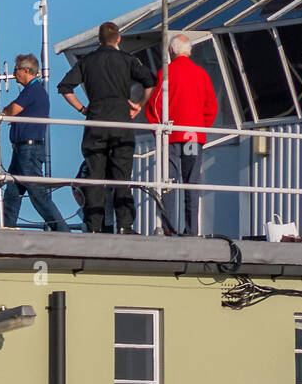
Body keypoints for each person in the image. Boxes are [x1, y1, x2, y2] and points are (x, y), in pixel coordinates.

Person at [57, 21, 155, 234]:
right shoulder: (127, 60)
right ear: (118, 39)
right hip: (120, 122)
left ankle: (94, 226)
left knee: (95, 176)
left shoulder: (88, 61)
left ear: (99, 39)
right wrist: (138, 105)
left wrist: (83, 109)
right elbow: (150, 81)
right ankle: (124, 225)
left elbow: (65, 87)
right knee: (122, 176)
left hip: (96, 122)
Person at [145, 34, 218, 235]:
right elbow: (211, 107)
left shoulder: (164, 74)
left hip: (170, 136)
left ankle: (167, 228)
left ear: (171, 51)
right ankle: (191, 230)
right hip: (193, 137)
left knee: (168, 182)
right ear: (189, 51)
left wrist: (157, 130)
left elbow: (154, 106)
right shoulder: (201, 74)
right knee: (191, 182)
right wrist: (200, 128)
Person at [1, 54, 69, 231]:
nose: (14, 74)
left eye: (16, 70)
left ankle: (61, 230)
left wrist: (7, 111)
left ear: (26, 70)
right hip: (21, 149)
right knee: (12, 192)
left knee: (37, 192)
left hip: (28, 149)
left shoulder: (33, 90)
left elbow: (12, 110)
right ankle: (7, 228)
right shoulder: (31, 91)